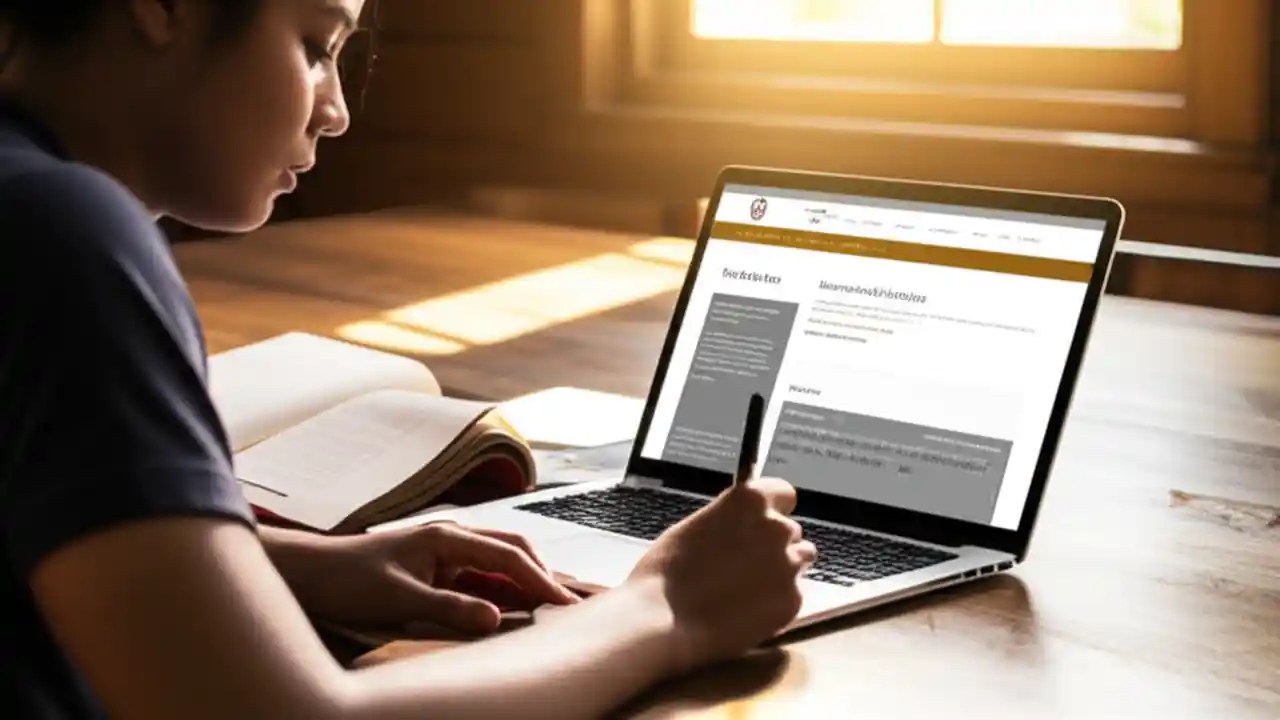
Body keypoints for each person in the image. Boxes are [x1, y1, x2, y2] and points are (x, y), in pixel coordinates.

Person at [0, 1, 818, 717]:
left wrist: (284, 565)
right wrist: (664, 609)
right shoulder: (62, 235)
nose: (338, 111)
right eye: (317, 45)